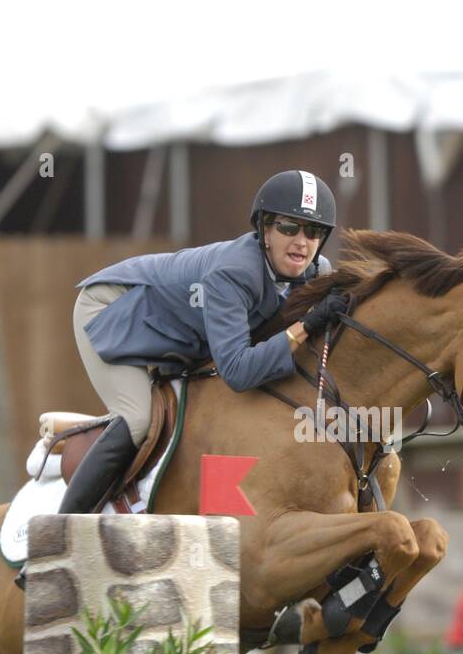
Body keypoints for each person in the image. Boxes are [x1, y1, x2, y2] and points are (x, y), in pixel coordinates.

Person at [58, 169, 350, 514]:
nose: (302, 241)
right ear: (266, 230)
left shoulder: (317, 272)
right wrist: (306, 325)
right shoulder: (234, 272)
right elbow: (239, 372)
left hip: (179, 330)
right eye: (289, 227)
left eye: (314, 231)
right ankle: (62, 530)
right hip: (112, 310)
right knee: (137, 419)